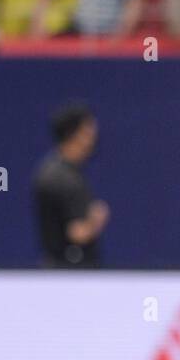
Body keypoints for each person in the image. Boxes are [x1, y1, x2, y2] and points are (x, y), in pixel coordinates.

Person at [33, 102, 108, 267]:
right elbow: (78, 232)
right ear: (72, 134)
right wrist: (96, 220)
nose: (92, 139)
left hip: (60, 271)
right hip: (70, 275)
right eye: (87, 132)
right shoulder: (64, 179)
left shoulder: (53, 170)